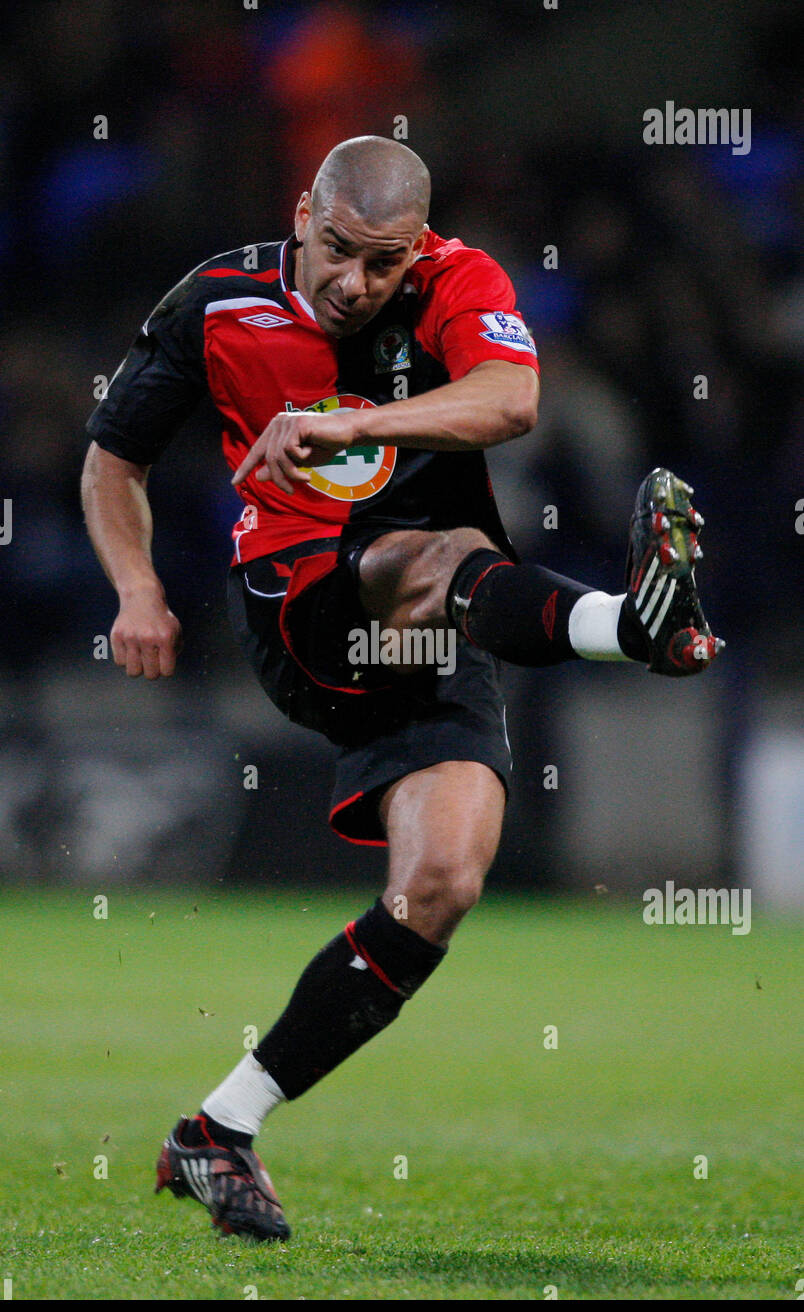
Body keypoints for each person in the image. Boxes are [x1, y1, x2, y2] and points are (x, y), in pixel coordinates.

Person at [81, 136, 722, 1243]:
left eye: (384, 262)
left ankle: (218, 1130)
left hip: (450, 620)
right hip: (302, 596)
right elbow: (111, 462)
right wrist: (138, 588)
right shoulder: (219, 303)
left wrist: (352, 419)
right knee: (434, 547)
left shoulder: (454, 281)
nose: (356, 283)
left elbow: (511, 399)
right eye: (338, 250)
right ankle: (633, 627)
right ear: (301, 213)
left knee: (442, 883)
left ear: (414, 247)